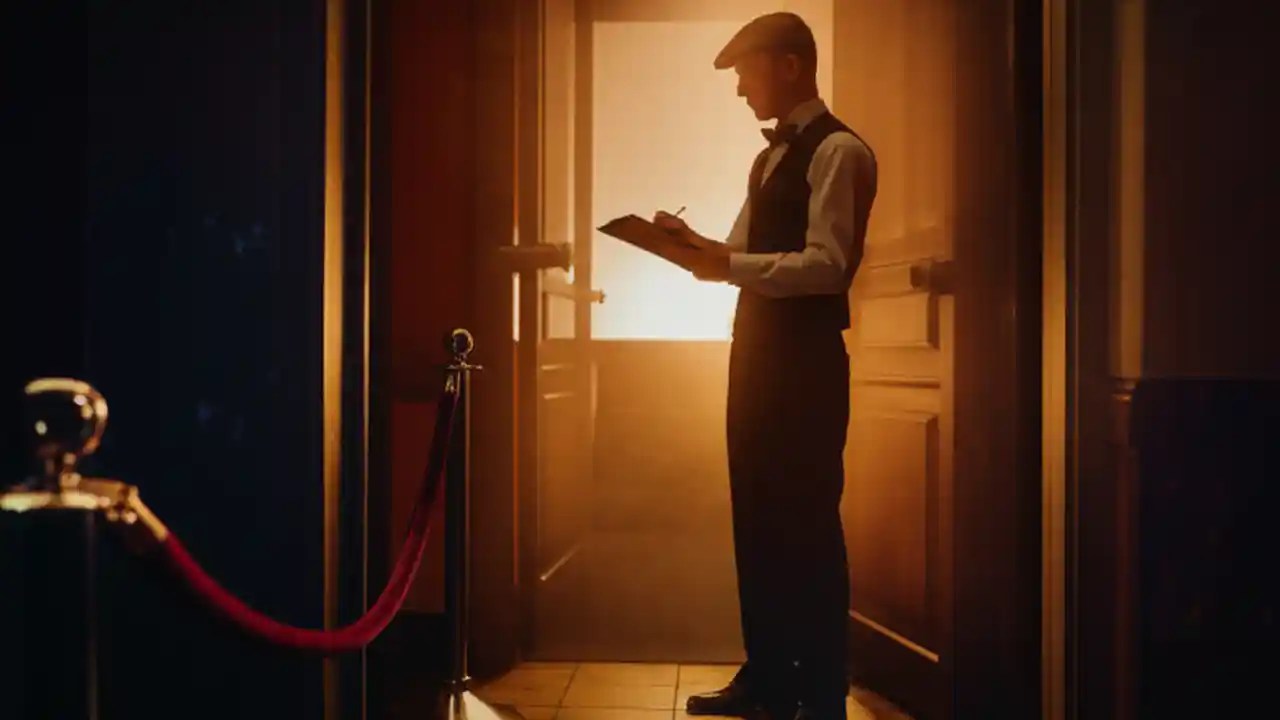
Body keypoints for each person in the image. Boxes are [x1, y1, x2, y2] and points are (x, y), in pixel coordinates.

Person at [654, 11, 878, 720]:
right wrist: (692, 248)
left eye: (747, 73)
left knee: (806, 518)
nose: (741, 90)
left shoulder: (841, 151)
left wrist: (729, 263)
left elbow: (828, 266)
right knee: (754, 515)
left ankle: (819, 685)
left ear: (788, 66)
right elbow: (740, 252)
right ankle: (769, 675)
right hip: (752, 352)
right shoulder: (767, 158)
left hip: (806, 362)